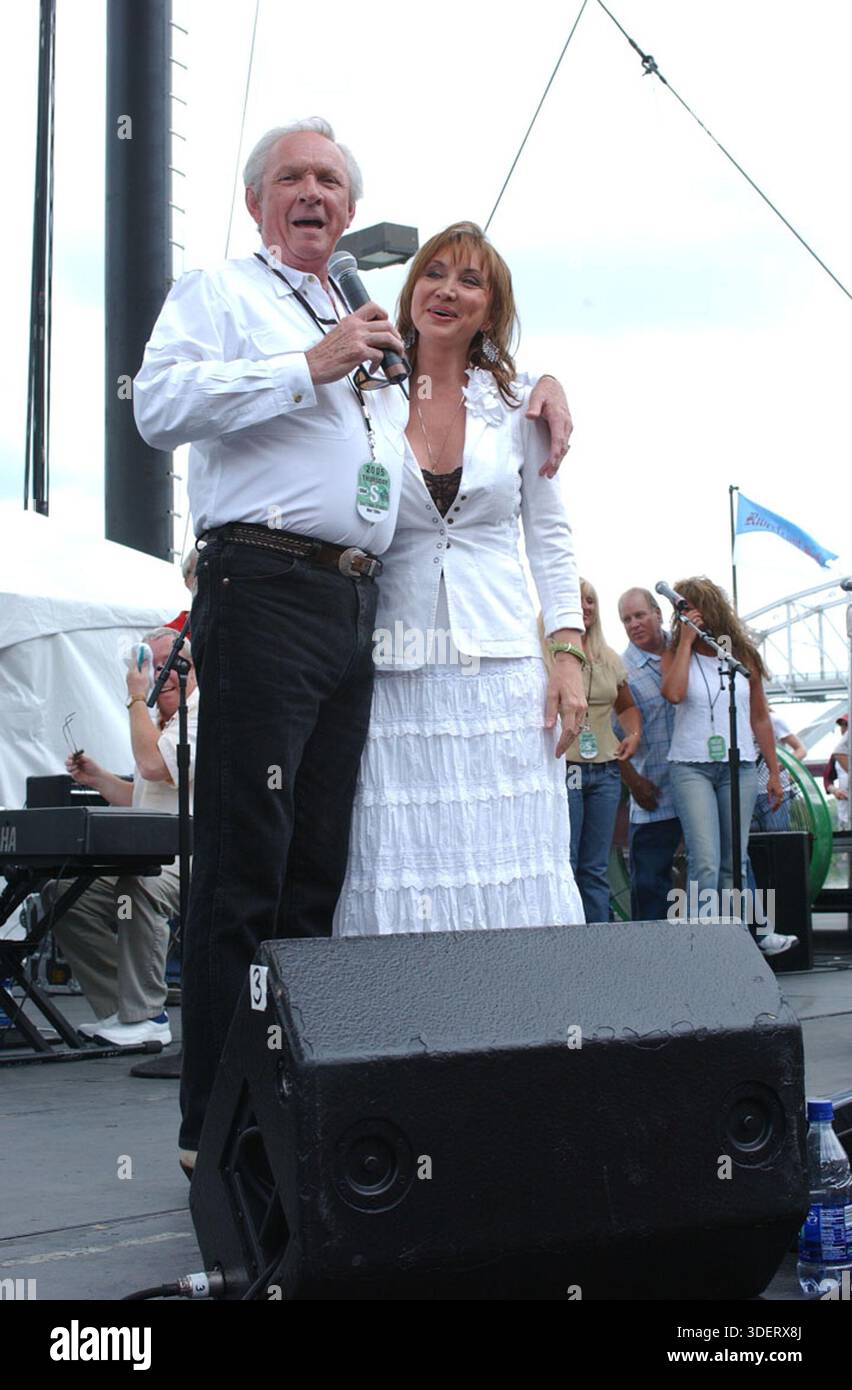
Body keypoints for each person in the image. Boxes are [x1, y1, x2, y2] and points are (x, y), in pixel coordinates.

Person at [132, 119, 573, 1173]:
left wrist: (543, 382)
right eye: (293, 177)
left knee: (312, 872)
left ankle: (299, 1096)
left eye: (331, 179)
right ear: (257, 201)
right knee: (247, 863)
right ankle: (219, 1126)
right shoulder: (226, 296)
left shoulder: (356, 318)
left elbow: (446, 490)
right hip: (269, 585)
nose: (314, 193)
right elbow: (157, 405)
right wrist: (303, 366)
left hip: (353, 609)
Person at [333, 222, 587, 936]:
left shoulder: (519, 407)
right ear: (410, 288)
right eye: (434, 273)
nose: (447, 290)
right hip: (394, 661)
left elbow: (551, 536)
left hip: (502, 665)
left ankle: (521, 1021)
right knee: (397, 851)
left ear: (491, 307)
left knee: (511, 850)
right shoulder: (368, 393)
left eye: (470, 280)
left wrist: (566, 651)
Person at [46, 630, 198, 1045]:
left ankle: (148, 1016)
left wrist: (135, 697)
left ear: (191, 666)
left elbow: (153, 767)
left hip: (196, 856)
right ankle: (120, 1008)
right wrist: (98, 778)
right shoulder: (159, 723)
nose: (158, 673)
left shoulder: (202, 711)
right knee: (64, 893)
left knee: (139, 888)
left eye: (168, 662)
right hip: (155, 853)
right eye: (150, 664)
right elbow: (142, 795)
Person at [660, 577, 794, 955]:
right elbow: (672, 693)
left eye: (690, 607)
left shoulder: (742, 656)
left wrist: (773, 771)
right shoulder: (675, 651)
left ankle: (738, 945)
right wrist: (686, 641)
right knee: (704, 858)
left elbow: (760, 718)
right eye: (680, 611)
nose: (683, 615)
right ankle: (701, 945)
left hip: (739, 767)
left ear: (709, 608)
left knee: (734, 860)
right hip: (691, 766)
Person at [562, 580, 641, 924]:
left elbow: (628, 708)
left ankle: (598, 947)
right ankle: (565, 942)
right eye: (576, 600)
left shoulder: (610, 658)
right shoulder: (548, 656)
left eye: (591, 600)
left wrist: (634, 734)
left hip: (606, 769)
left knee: (595, 866)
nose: (586, 606)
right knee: (567, 861)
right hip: (567, 768)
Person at [617, 587, 681, 922]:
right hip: (653, 795)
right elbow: (609, 739)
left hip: (698, 788)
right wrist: (634, 783)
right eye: (626, 619)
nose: (634, 624)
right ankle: (652, 963)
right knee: (649, 885)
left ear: (658, 613)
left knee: (717, 871)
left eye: (640, 615)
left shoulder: (689, 648)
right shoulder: (620, 670)